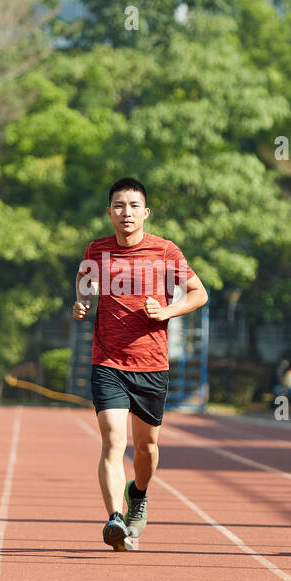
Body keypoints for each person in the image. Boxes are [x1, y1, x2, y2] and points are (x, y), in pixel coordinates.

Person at [73, 177, 209, 551]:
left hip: (151, 363)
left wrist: (166, 310)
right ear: (109, 212)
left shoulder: (165, 252)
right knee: (113, 442)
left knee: (145, 448)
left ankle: (140, 493)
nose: (126, 212)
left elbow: (199, 293)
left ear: (145, 212)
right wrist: (83, 302)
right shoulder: (96, 250)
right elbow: (84, 283)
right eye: (119, 205)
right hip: (108, 360)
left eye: (133, 206)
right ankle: (115, 518)